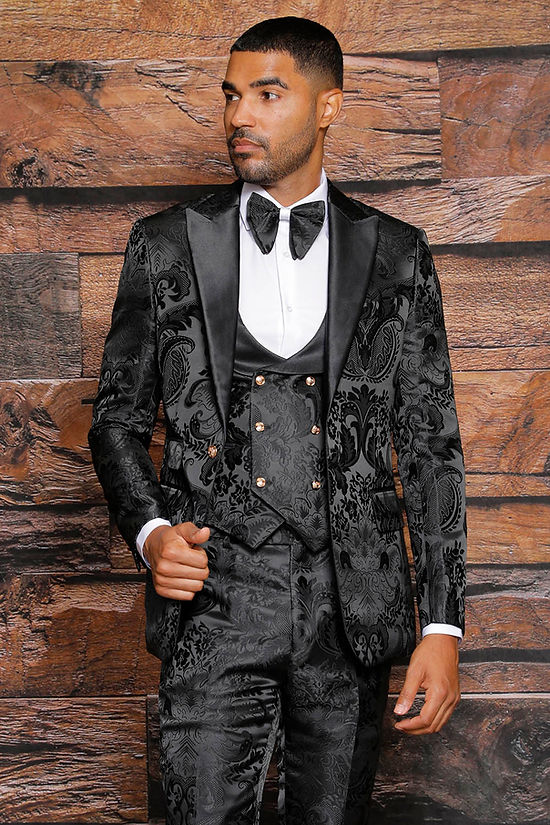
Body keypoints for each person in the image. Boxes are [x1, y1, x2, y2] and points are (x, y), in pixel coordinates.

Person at [88, 16, 467, 825]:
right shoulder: (165, 244)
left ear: (328, 106)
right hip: (214, 601)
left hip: (350, 607)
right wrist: (151, 534)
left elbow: (431, 446)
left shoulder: (398, 254)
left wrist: (442, 623)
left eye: (266, 95)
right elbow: (116, 417)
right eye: (231, 96)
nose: (239, 116)